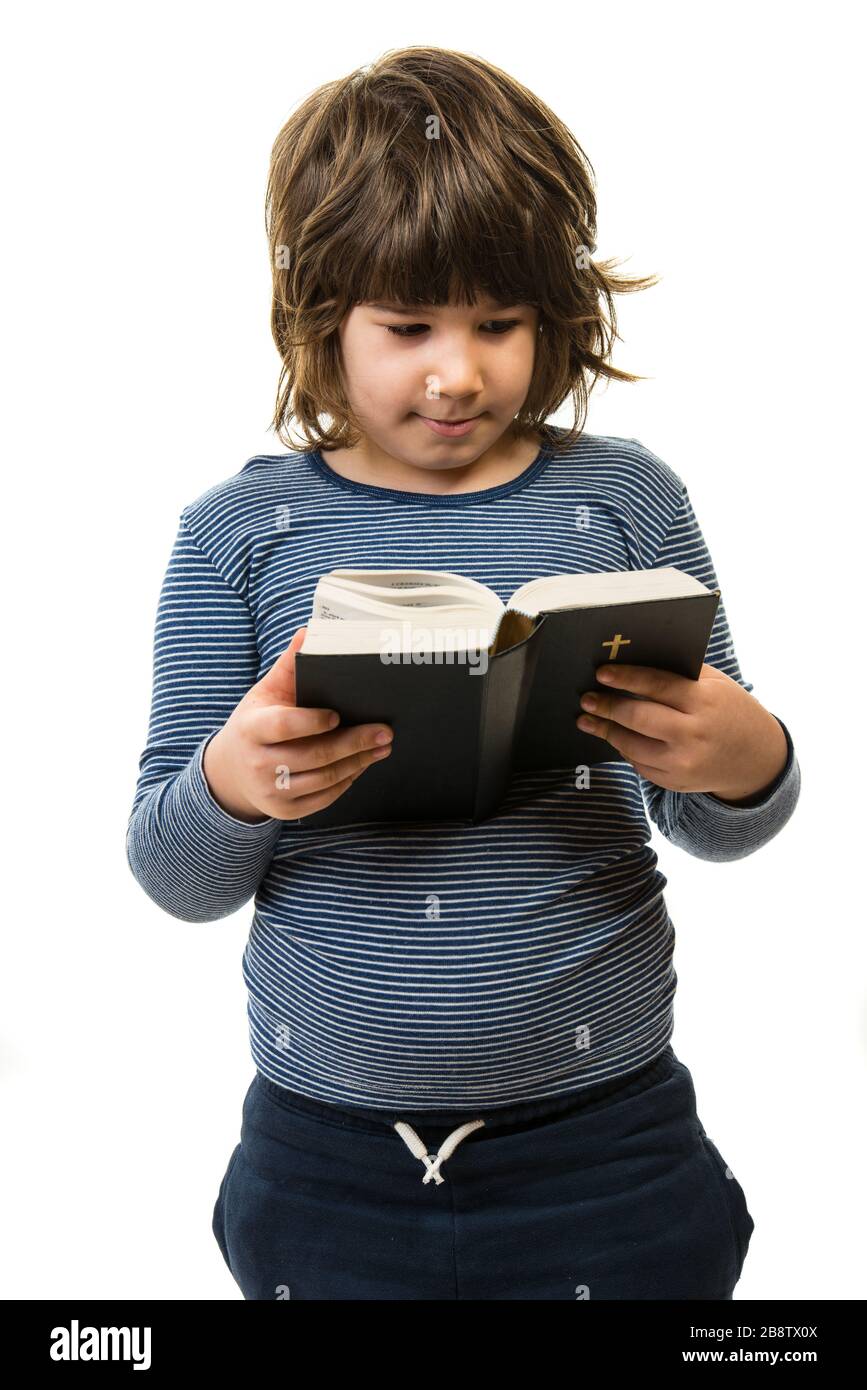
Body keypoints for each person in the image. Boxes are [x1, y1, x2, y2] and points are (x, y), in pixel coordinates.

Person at [126, 46, 801, 1300]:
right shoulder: (238, 530)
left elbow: (716, 822)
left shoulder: (627, 500)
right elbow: (172, 873)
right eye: (408, 325)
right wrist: (232, 780)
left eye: (501, 323)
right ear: (319, 316)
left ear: (560, 312)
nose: (458, 372)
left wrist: (750, 758)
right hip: (323, 1161)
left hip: (613, 1145)